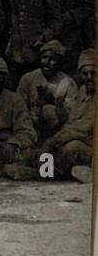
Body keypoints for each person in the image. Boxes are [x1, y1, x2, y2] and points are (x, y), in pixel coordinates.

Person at [44, 48, 93, 182]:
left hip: (89, 146)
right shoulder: (83, 91)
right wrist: (59, 102)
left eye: (93, 73)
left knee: (72, 147)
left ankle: (41, 173)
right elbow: (69, 121)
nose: (89, 77)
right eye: (85, 74)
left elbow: (84, 129)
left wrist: (54, 141)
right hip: (81, 142)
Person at [16, 40, 78, 144]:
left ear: (59, 62)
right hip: (29, 128)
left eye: (52, 59)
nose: (47, 63)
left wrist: (56, 103)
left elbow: (70, 117)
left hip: (56, 132)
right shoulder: (28, 78)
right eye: (44, 58)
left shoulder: (68, 83)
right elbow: (19, 107)